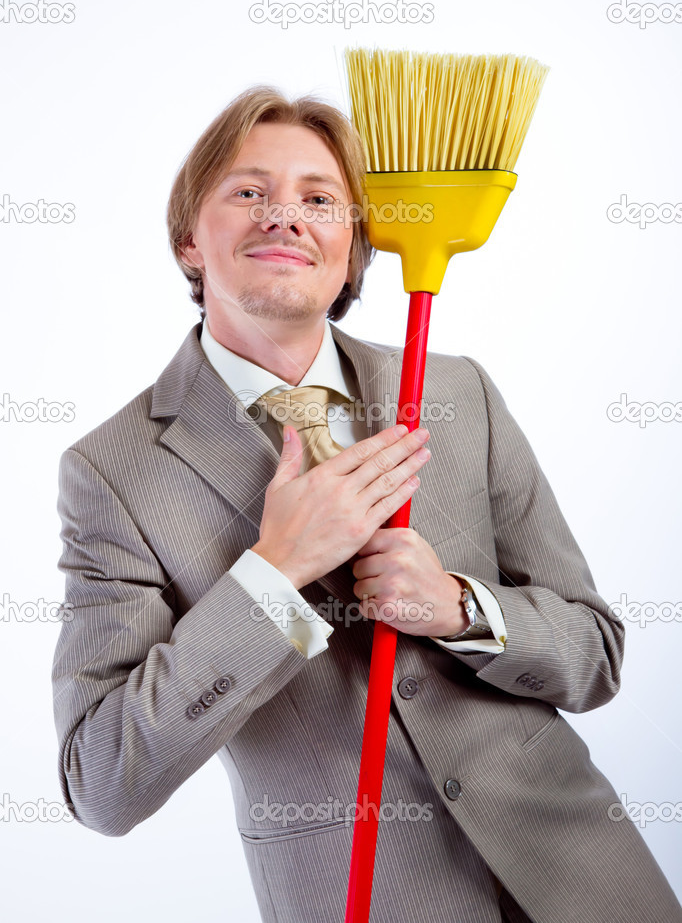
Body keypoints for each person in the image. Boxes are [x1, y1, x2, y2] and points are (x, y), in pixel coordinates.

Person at [52, 86, 682, 923]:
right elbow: (102, 779)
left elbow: (596, 655)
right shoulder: (112, 470)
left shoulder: (460, 392)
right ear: (188, 242)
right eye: (249, 192)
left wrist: (458, 606)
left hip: (589, 882)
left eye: (319, 199)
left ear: (353, 252)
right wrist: (273, 578)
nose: (285, 215)